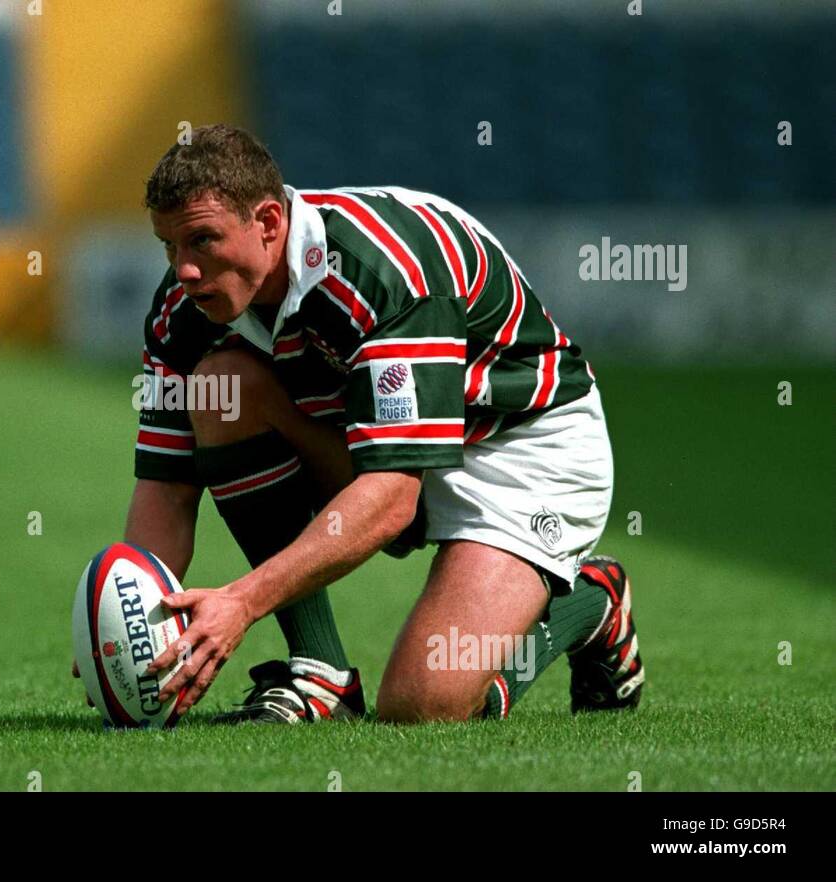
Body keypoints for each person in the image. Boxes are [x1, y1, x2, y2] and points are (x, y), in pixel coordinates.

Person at [117, 123, 644, 724]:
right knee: (224, 390)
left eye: (202, 240)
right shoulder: (183, 309)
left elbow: (392, 497)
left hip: (519, 444)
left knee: (423, 705)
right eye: (169, 247)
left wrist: (240, 602)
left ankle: (592, 604)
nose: (183, 270)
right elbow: (166, 485)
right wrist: (131, 620)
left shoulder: (383, 269)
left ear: (267, 222)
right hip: (379, 443)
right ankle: (320, 675)